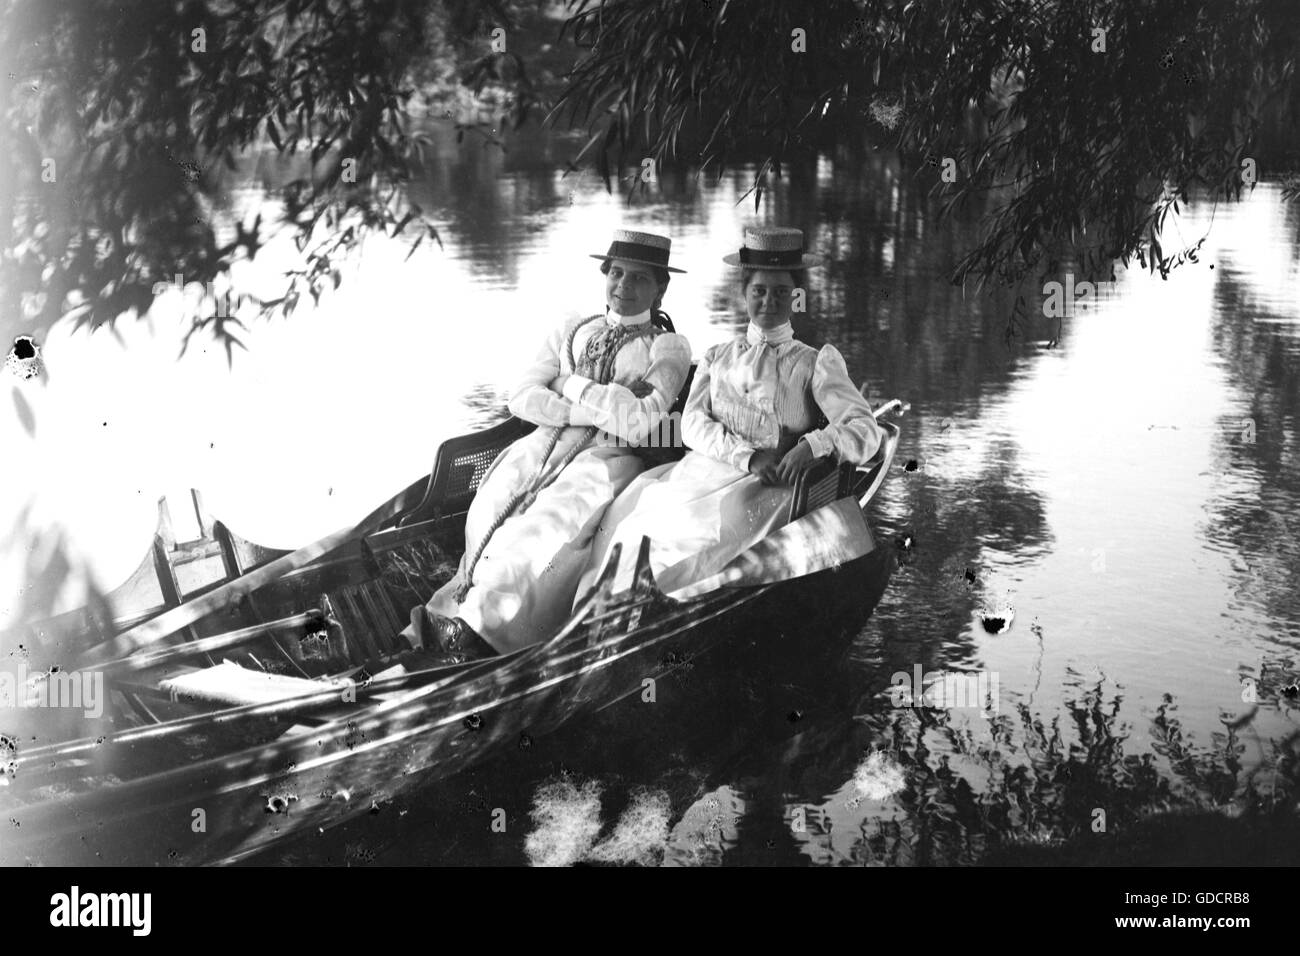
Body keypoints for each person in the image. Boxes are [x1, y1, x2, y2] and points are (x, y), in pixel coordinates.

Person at [402, 229, 692, 660]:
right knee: (494, 503)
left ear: (661, 288)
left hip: (610, 457)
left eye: (639, 279)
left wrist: (568, 382)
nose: (623, 287)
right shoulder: (572, 328)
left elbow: (637, 424)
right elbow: (521, 396)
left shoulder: (666, 347)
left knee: (549, 528)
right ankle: (460, 608)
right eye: (616, 273)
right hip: (543, 442)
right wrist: (587, 408)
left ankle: (497, 635)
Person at [575, 226, 884, 599]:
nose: (769, 301)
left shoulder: (814, 363)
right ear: (744, 294)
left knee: (701, 539)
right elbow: (690, 425)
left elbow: (865, 428)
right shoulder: (717, 357)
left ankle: (657, 606)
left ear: (796, 296)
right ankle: (602, 607)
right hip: (704, 469)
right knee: (638, 518)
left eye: (781, 292)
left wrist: (813, 445)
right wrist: (746, 456)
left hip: (764, 488)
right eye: (759, 291)